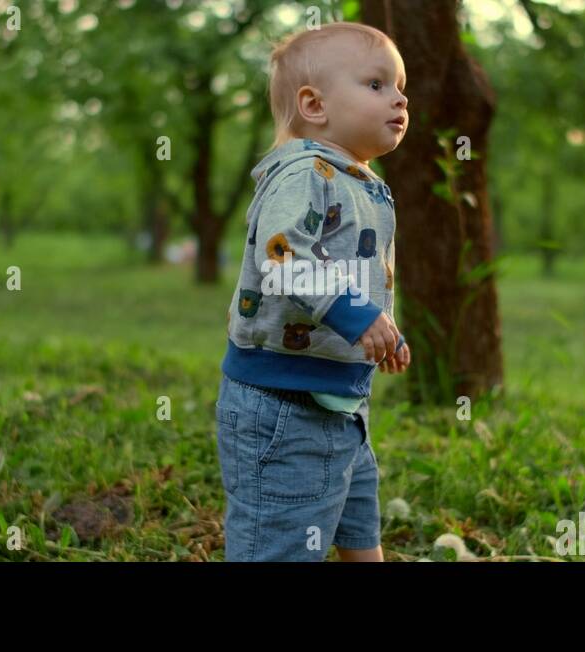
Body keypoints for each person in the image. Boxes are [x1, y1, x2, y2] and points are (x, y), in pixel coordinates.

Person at [215, 21, 411, 561]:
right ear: (314, 104)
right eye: (376, 84)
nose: (399, 97)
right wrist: (354, 315)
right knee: (279, 542)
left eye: (399, 86)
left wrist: (380, 330)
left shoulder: (357, 179)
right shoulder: (304, 172)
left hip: (342, 402)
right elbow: (282, 257)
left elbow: (353, 267)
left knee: (358, 531)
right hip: (283, 407)